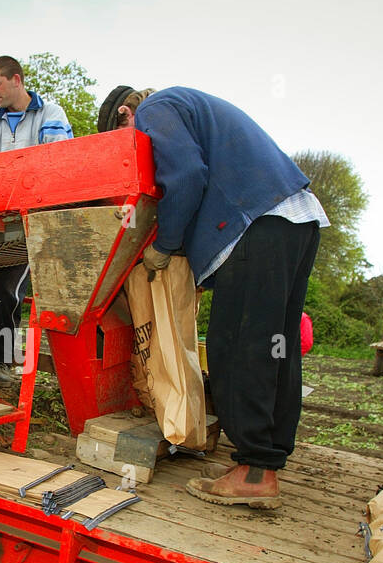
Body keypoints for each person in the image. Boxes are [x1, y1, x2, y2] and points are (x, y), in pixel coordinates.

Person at [102, 85, 329, 510]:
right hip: (292, 220)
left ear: (126, 113)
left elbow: (186, 175)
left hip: (257, 223)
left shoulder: (156, 107)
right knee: (276, 346)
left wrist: (165, 245)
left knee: (237, 346)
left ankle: (257, 472)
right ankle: (261, 462)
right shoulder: (193, 108)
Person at [0, 56, 74, 385]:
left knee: (7, 293)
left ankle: (2, 363)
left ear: (16, 80)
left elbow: (55, 163)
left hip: (27, 224)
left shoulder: (50, 114)